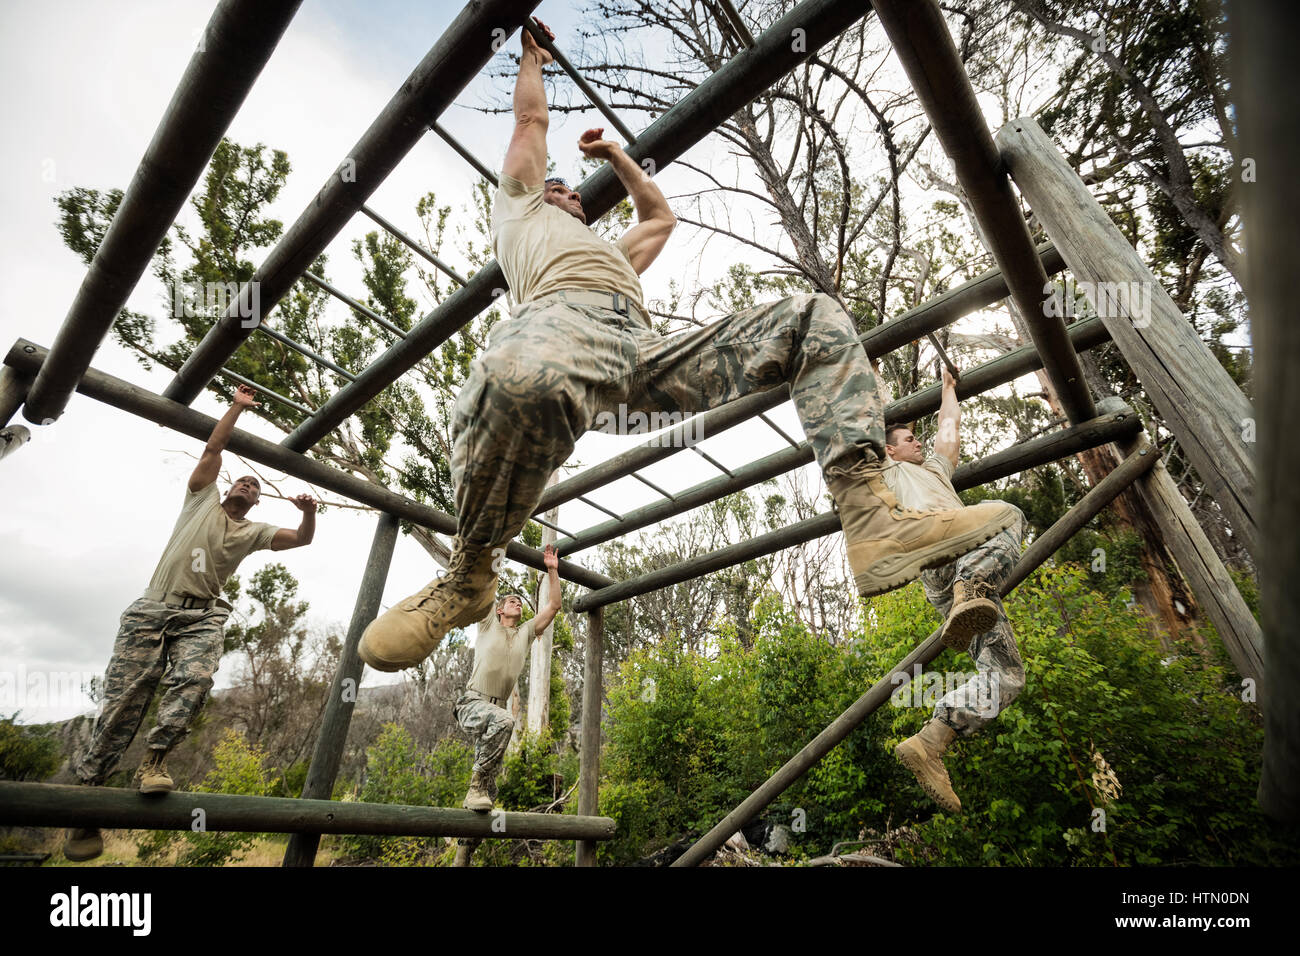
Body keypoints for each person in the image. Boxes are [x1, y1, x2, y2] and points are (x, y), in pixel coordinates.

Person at [356, 18, 1018, 674]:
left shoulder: (614, 254)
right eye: (552, 186)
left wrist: (616, 158)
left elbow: (660, 217)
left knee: (810, 318)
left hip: (643, 359)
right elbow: (529, 123)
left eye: (570, 190)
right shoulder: (520, 217)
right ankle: (471, 571)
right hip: (558, 331)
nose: (561, 190)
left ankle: (871, 516)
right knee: (521, 373)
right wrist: (532, 60)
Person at [63, 385, 318, 862]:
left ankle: (155, 762)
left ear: (259, 503)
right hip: (153, 609)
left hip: (200, 616)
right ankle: (86, 799)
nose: (246, 485)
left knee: (195, 678)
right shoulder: (201, 502)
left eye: (254, 487)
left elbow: (301, 540)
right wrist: (237, 407)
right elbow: (214, 448)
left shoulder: (254, 531)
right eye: (242, 482)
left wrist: (309, 514)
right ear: (226, 488)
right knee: (123, 703)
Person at [887, 367, 1027, 813]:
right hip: (939, 548)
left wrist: (948, 390)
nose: (918, 443)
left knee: (1007, 676)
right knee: (1007, 514)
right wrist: (868, 372)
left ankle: (932, 741)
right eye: (909, 439)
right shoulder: (886, 471)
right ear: (889, 449)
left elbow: (948, 432)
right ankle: (972, 586)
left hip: (956, 587)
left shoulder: (935, 471)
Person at [451, 547, 561, 867]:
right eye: (510, 601)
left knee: (489, 795)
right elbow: (489, 584)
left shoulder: (526, 633)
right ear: (499, 610)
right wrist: (498, 548)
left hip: (497, 713)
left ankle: (463, 852)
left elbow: (554, 605)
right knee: (503, 723)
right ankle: (475, 784)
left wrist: (552, 569)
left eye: (520, 602)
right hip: (473, 703)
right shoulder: (488, 623)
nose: (516, 602)